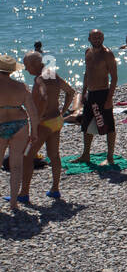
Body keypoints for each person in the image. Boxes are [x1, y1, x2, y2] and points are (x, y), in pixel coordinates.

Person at [21, 51, 74, 201]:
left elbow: (43, 97)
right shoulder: (52, 74)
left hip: (44, 123)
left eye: (27, 65)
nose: (26, 69)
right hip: (57, 120)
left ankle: (23, 193)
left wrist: (38, 118)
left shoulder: (39, 79)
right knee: (54, 155)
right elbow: (70, 92)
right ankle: (55, 189)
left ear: (35, 64)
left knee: (27, 157)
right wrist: (63, 111)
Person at [72, 29, 118, 167]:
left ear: (103, 38)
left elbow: (114, 78)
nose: (97, 39)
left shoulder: (107, 54)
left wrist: (110, 99)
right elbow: (87, 73)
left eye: (99, 37)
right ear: (89, 39)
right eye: (94, 37)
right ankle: (86, 155)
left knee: (108, 125)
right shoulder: (88, 52)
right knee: (86, 125)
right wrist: (84, 92)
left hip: (103, 93)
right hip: (90, 94)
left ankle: (110, 157)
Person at [0, 55, 39, 210]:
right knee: (16, 165)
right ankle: (14, 202)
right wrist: (34, 131)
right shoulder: (21, 87)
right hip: (20, 125)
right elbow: (33, 113)